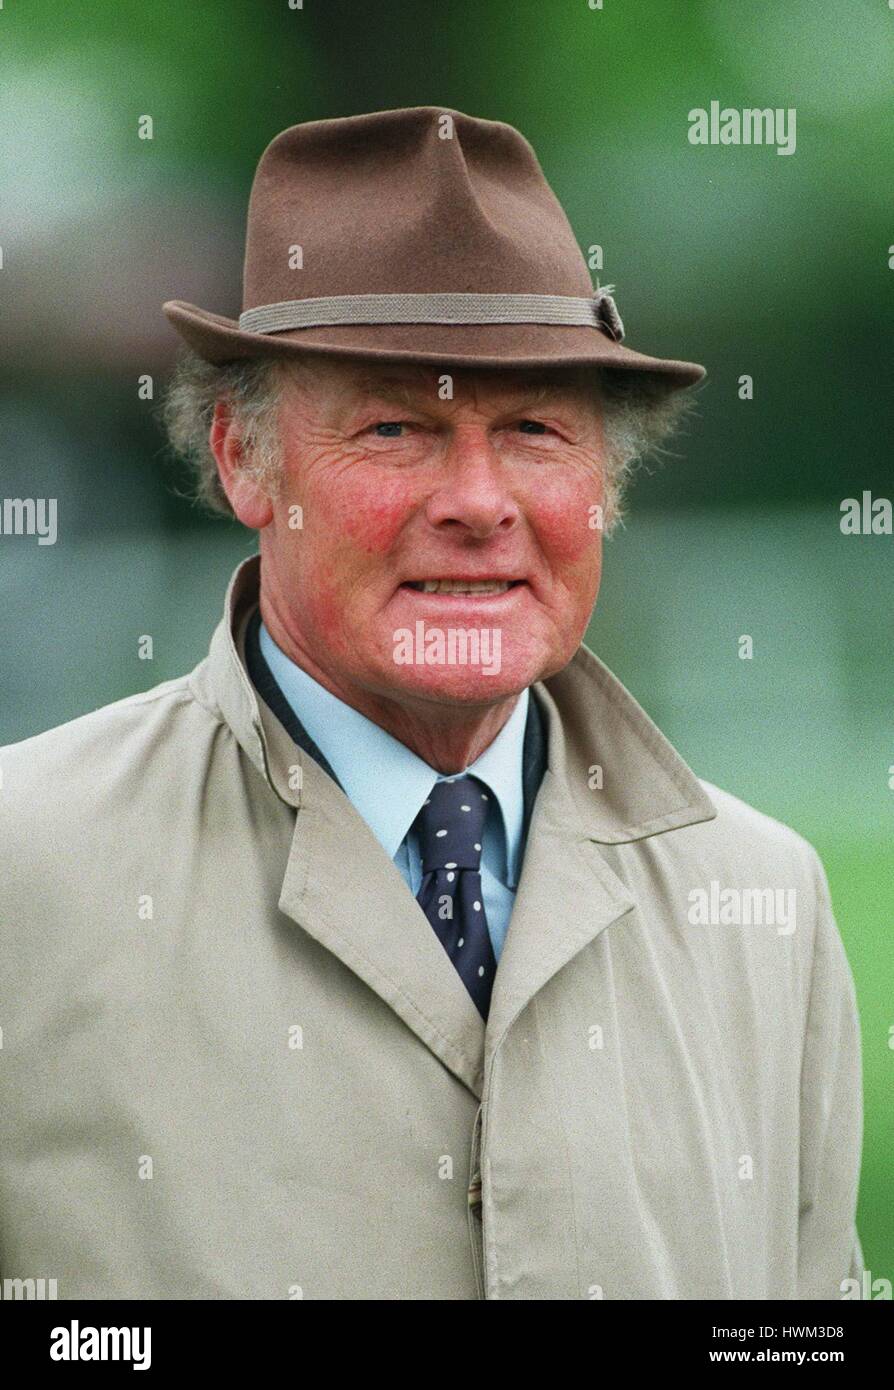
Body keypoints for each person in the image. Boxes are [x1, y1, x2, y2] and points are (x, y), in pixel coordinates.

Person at [0, 107, 862, 1299]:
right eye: (396, 425)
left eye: (535, 431)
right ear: (246, 460)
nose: (478, 500)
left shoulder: (765, 902)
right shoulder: (24, 873)